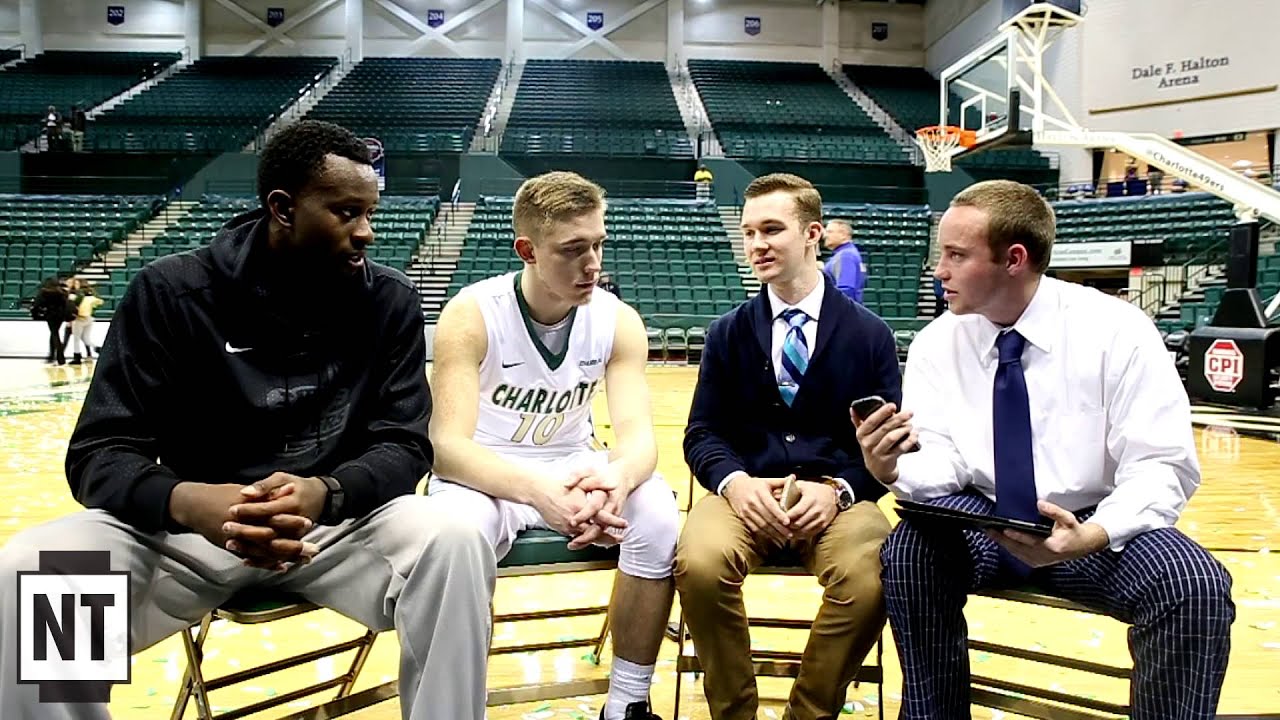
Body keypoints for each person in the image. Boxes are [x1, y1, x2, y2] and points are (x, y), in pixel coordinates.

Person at [0, 119, 494, 720]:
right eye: (346, 212)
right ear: (282, 208)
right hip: (188, 535)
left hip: (334, 530)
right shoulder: (171, 293)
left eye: (371, 212)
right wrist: (190, 501)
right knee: (37, 569)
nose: (367, 231)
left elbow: (404, 442)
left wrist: (324, 491)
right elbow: (101, 451)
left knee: (456, 537)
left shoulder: (388, 299)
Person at [858, 179, 1235, 720]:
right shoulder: (937, 342)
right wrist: (891, 465)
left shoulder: (1118, 330)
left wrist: (1095, 534)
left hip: (1094, 523)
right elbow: (944, 463)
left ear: (1014, 259)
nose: (938, 270)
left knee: (1194, 586)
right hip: (983, 518)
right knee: (911, 551)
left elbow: (1162, 464)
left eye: (956, 255)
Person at [427, 170, 678, 720]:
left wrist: (618, 479)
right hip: (484, 474)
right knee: (454, 538)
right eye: (572, 250)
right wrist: (540, 492)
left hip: (573, 465)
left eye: (598, 245)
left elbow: (638, 440)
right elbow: (447, 448)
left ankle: (627, 703)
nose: (593, 264)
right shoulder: (471, 314)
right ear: (528, 250)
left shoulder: (619, 321)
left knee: (658, 515)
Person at [676, 173, 900, 720]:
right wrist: (735, 483)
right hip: (744, 496)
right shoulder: (726, 332)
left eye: (772, 229)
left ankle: (810, 712)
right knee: (699, 564)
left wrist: (842, 490)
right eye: (749, 232)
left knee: (874, 575)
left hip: (837, 501)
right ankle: (735, 714)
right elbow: (702, 432)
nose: (757, 245)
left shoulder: (871, 336)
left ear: (812, 234)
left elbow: (887, 447)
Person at [822, 218, 866, 303]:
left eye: (829, 232)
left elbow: (845, 290)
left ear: (843, 235)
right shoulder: (847, 253)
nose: (825, 235)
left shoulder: (846, 255)